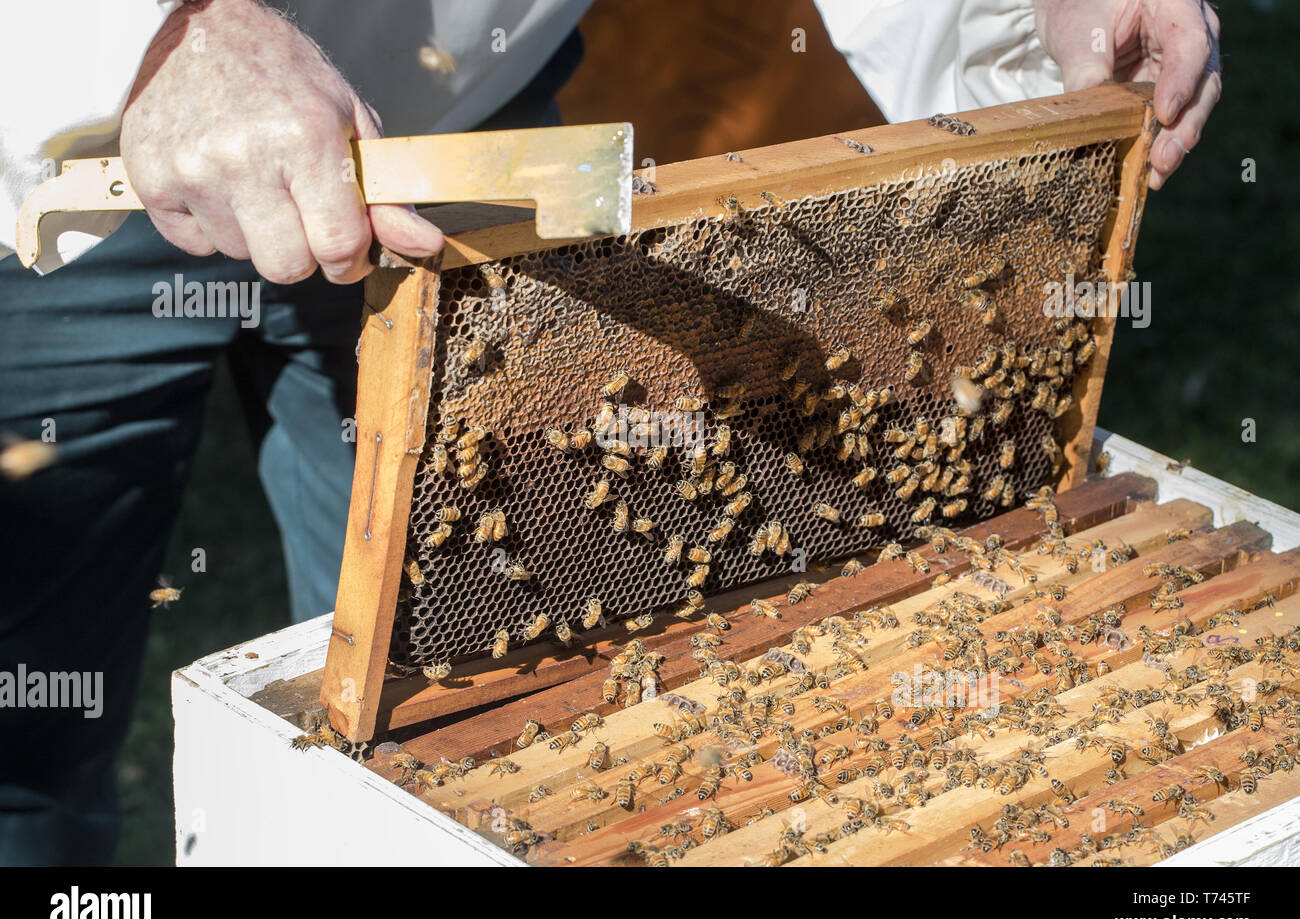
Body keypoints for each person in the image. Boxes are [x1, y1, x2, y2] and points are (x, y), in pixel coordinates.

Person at [0, 0, 1220, 865]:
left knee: (427, 702)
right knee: (29, 717)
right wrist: (151, 30)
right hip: (76, 160)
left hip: (454, 144)